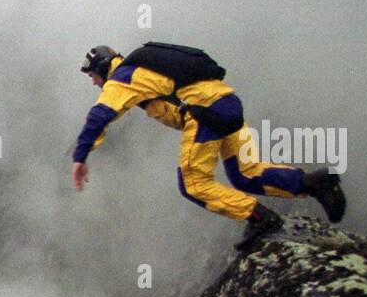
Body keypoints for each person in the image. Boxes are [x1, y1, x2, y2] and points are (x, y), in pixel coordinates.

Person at [70, 42, 347, 251]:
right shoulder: (145, 65)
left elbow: (100, 116)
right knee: (246, 174)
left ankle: (260, 218)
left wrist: (80, 157)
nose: (94, 81)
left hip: (203, 113)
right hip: (226, 103)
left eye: (93, 75)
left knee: (193, 184)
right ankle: (316, 183)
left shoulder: (123, 77)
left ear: (105, 67)